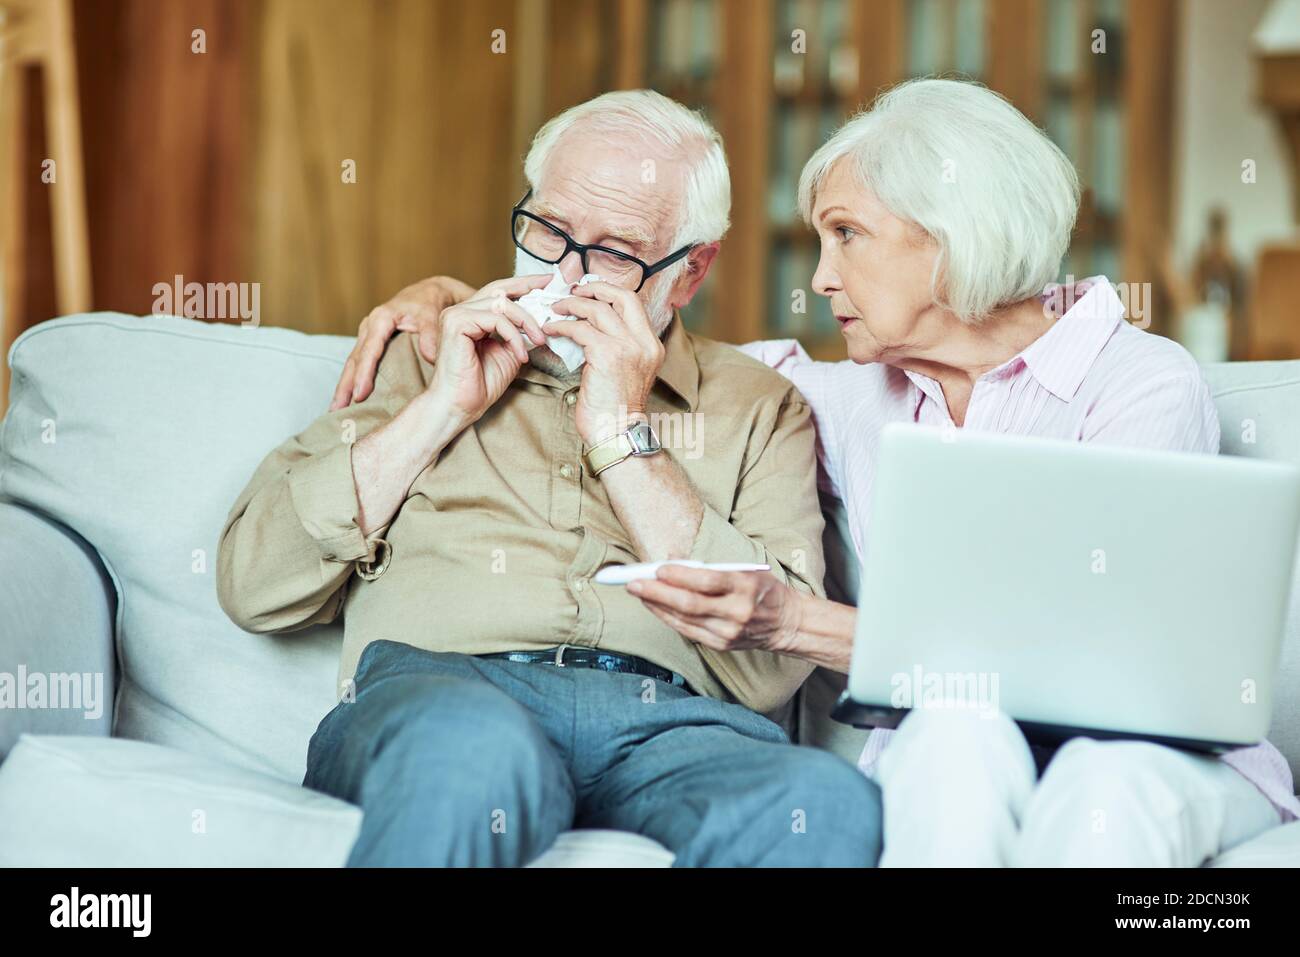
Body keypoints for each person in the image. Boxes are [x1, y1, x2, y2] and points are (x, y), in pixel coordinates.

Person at [338, 78, 1298, 867]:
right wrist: (464, 294)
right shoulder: (849, 395)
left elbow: (1101, 665)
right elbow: (650, 336)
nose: (823, 274)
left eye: (848, 234)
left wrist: (800, 623)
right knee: (946, 747)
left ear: (950, 236)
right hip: (962, 738)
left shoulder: (1137, 382)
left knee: (1102, 790)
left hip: (1146, 753)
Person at [216, 89, 881, 868]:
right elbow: (252, 582)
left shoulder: (759, 406)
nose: (564, 273)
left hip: (673, 724)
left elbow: (771, 666)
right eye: (549, 230)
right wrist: (441, 409)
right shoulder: (423, 351)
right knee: (474, 752)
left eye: (613, 252)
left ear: (690, 272)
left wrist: (620, 430)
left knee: (825, 802)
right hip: (444, 694)